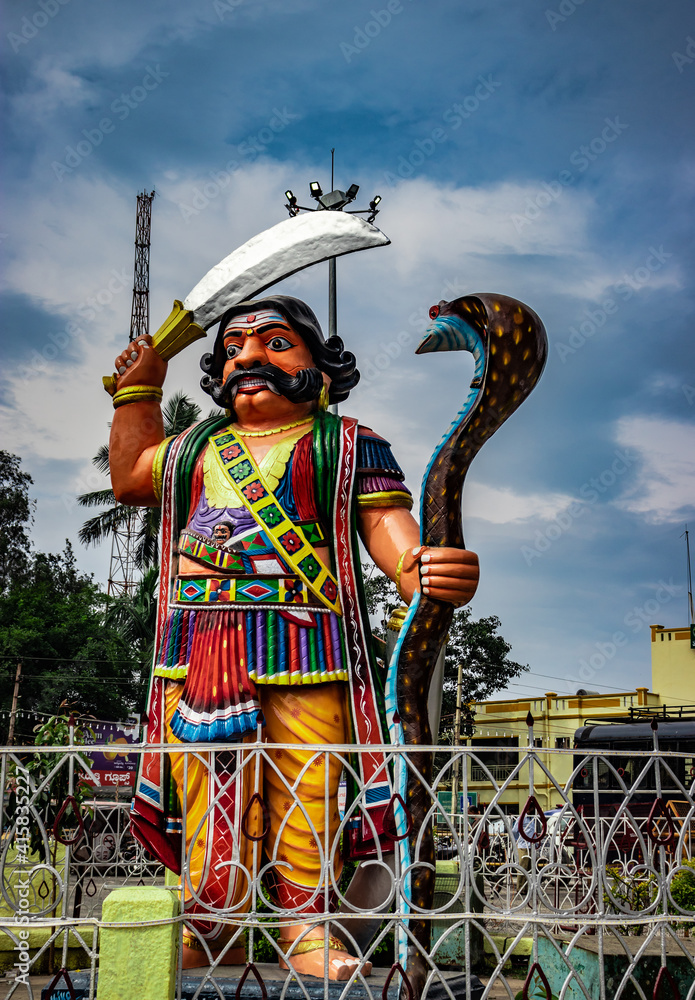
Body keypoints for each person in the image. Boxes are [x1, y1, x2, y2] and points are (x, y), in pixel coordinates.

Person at [108, 295, 479, 980]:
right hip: (200, 645)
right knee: (211, 792)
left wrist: (419, 568)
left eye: (275, 343)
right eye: (233, 349)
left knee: (304, 786)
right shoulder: (193, 447)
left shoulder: (346, 444)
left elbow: (387, 532)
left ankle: (305, 928)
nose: (248, 356)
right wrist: (139, 389)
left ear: (321, 365)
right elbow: (131, 479)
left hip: (303, 642)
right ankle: (213, 921)